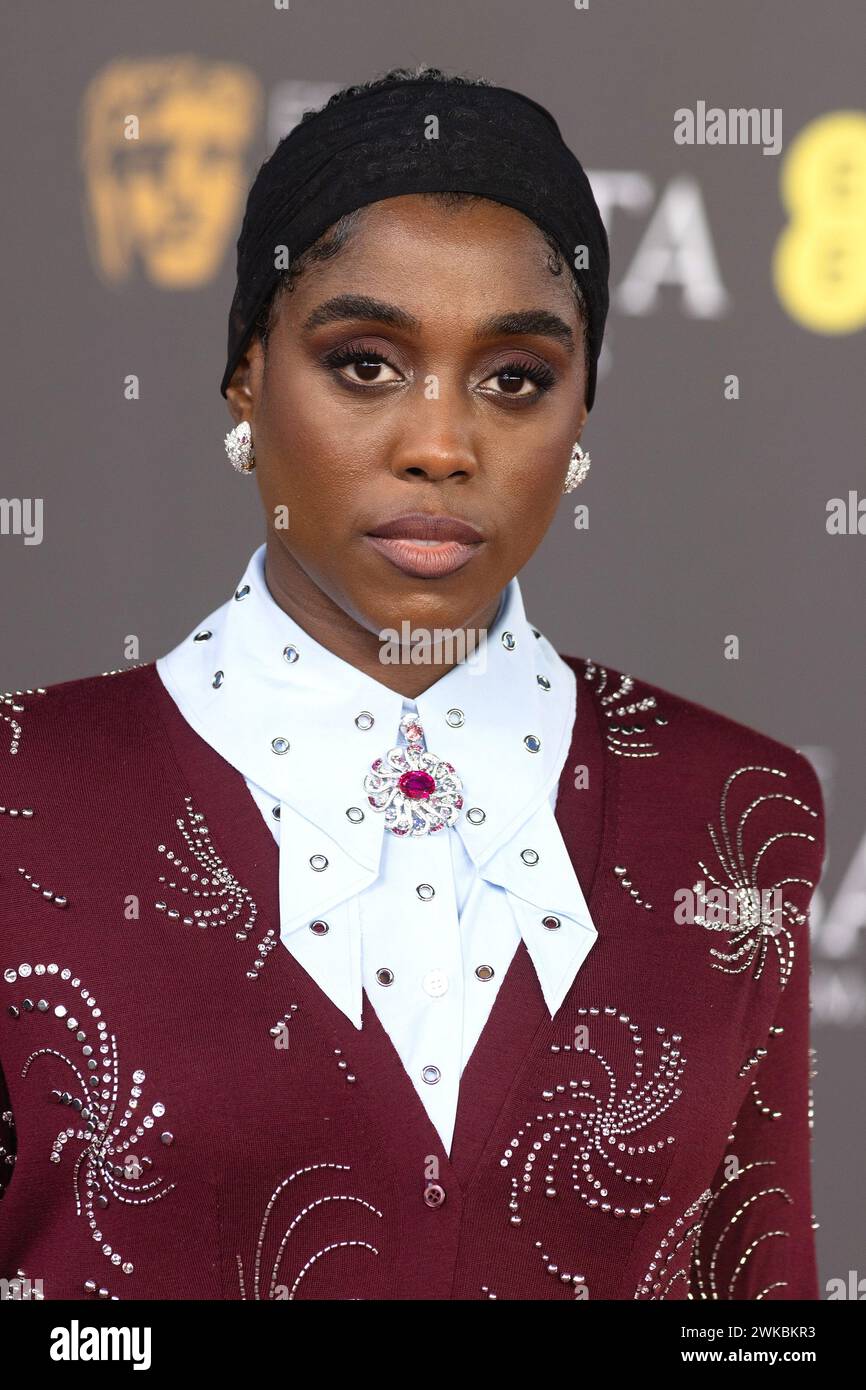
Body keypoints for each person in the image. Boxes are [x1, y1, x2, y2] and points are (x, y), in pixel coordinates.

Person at [0, 65, 825, 1302]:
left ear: (582, 410)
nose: (440, 444)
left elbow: (759, 1303)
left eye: (514, 380)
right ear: (245, 376)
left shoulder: (737, 806)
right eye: (366, 363)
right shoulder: (24, 790)